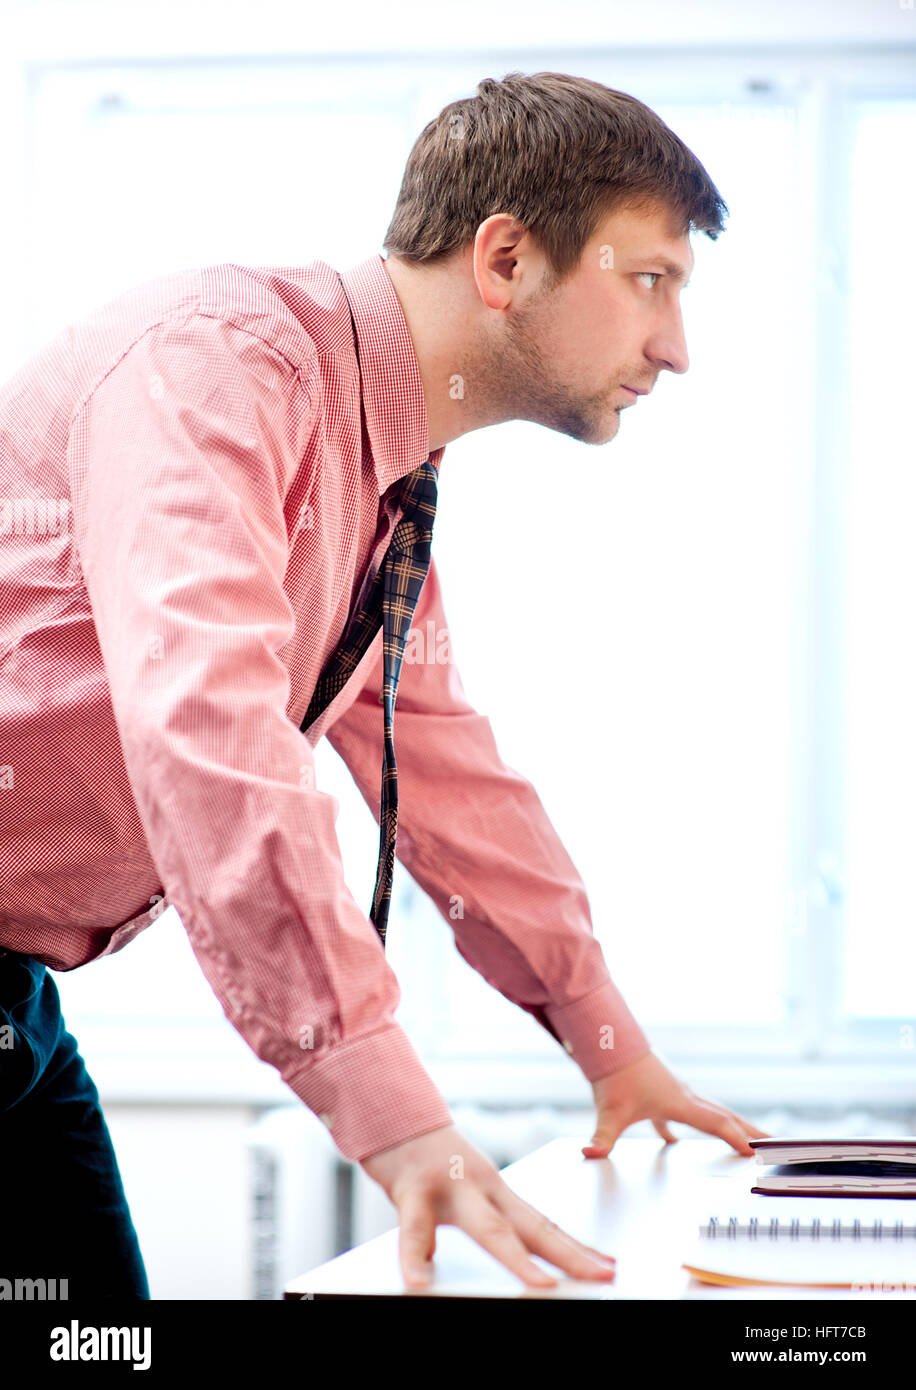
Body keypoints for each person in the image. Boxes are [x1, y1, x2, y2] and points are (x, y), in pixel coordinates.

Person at [0, 69, 768, 1298]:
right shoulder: (220, 370)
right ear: (506, 258)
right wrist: (394, 1116)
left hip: (18, 1006)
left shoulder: (382, 479)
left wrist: (608, 1043)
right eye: (650, 281)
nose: (674, 348)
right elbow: (208, 732)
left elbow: (451, 772)